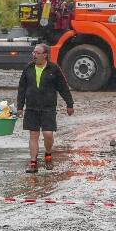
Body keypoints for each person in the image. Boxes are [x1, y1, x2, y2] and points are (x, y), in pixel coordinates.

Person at [16, 43, 73, 173]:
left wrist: (69, 104)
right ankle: (33, 162)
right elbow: (22, 89)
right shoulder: (28, 68)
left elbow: (63, 87)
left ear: (45, 55)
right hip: (31, 107)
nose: (34, 55)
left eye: (37, 53)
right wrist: (20, 107)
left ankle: (48, 154)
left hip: (48, 107)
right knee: (33, 135)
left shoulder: (54, 68)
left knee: (48, 134)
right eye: (33, 52)